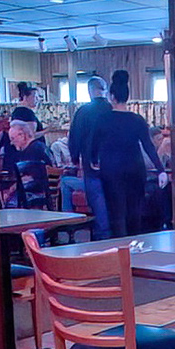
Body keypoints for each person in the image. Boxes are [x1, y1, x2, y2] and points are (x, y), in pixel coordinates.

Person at [91, 70, 168, 238]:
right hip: (135, 169)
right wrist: (161, 170)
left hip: (111, 169)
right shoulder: (138, 120)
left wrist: (93, 161)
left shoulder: (102, 119)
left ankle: (120, 252)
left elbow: (93, 145)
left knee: (116, 213)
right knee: (134, 212)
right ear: (127, 96)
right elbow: (148, 146)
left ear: (111, 96)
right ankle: (135, 248)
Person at [67, 75, 112, 239]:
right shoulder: (112, 109)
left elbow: (74, 138)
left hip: (90, 166)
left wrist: (75, 160)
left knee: (98, 205)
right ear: (105, 90)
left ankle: (101, 244)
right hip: (113, 165)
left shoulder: (83, 112)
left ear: (90, 91)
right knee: (113, 206)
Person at [1, 121, 52, 207]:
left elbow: (30, 178)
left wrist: (10, 191)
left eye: (13, 139)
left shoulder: (34, 150)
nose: (11, 143)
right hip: (43, 191)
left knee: (8, 202)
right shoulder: (39, 146)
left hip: (35, 193)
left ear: (22, 135)